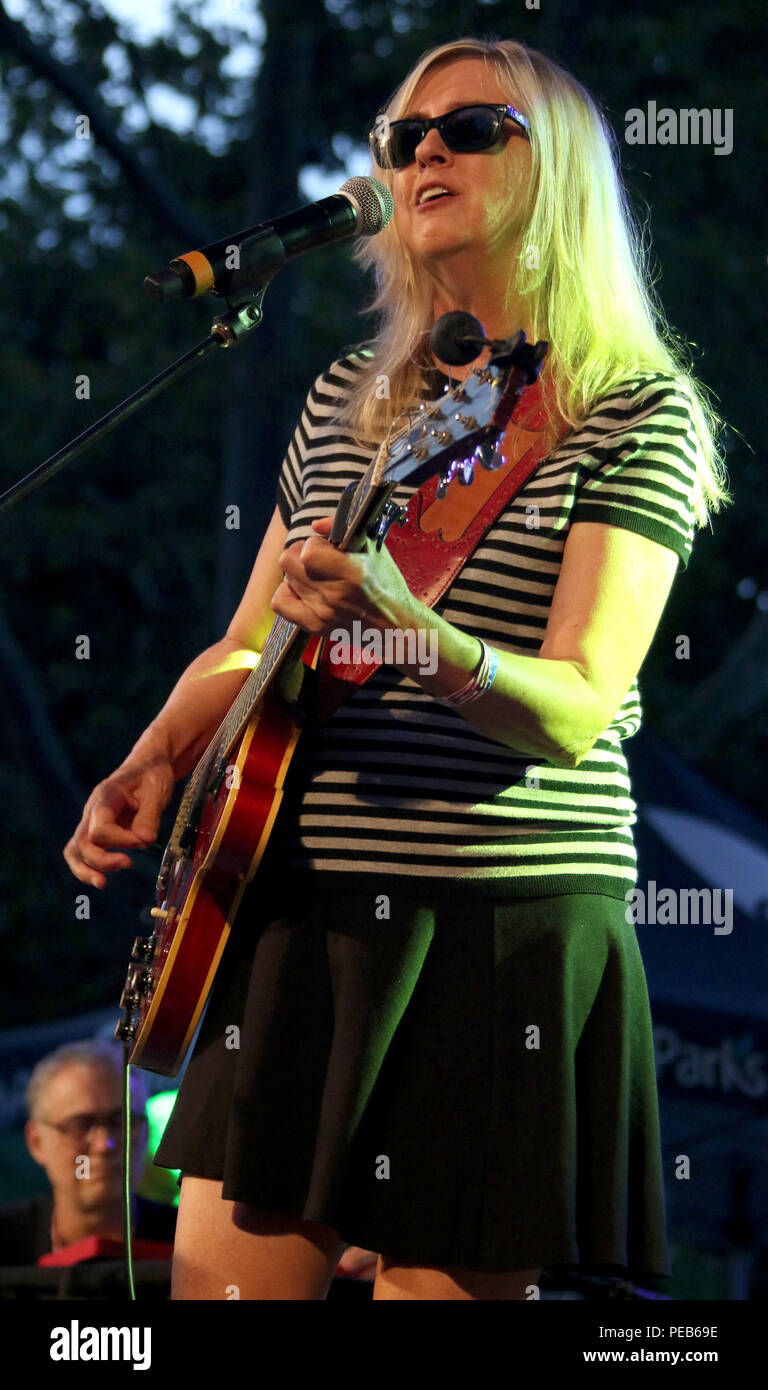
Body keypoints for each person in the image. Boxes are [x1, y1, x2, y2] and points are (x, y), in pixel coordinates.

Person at [63, 37, 730, 1301]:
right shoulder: (344, 401)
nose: (423, 149)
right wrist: (155, 755)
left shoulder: (635, 408)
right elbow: (250, 639)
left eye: (474, 128)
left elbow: (580, 705)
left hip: (500, 934)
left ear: (561, 176)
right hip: (296, 918)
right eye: (400, 134)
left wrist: (403, 622)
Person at [0, 1040, 175, 1265]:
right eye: (81, 1125)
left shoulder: (190, 1245)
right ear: (36, 1142)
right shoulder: (6, 1247)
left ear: (146, 1131)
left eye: (121, 1122)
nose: (105, 1144)